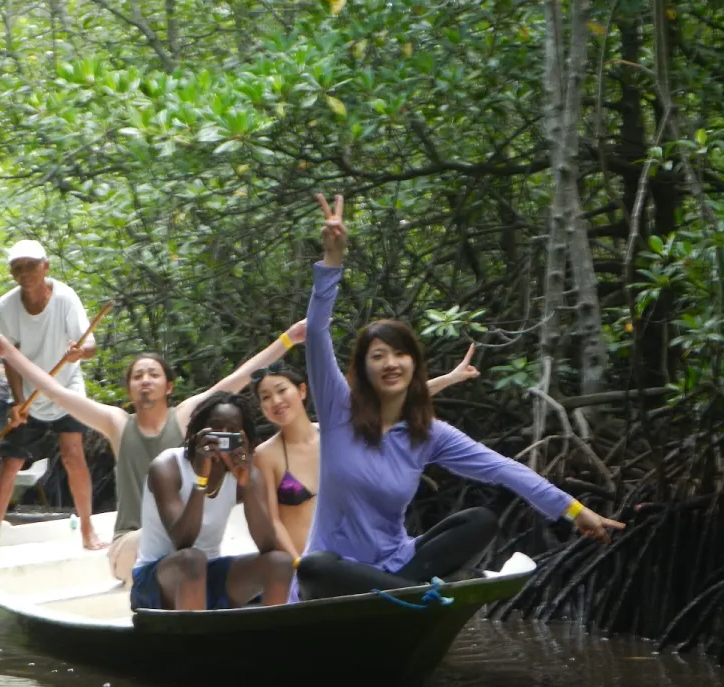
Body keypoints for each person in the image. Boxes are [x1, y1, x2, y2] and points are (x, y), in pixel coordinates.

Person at [295, 193, 625, 601]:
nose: (391, 363)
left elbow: (504, 469)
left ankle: (408, 591)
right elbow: (316, 333)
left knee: (480, 519)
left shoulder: (429, 433)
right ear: (363, 369)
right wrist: (332, 261)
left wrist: (574, 510)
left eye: (400, 354)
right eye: (378, 356)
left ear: (415, 364)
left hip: (398, 565)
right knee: (314, 566)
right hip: (336, 578)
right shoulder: (337, 409)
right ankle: (420, 594)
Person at [0, 316, 310, 573]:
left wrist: (288, 339)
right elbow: (55, 390)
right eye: (137, 376)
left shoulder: (185, 417)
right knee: (176, 553)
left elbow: (236, 378)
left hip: (184, 542)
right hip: (131, 545)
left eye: (153, 374)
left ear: (169, 387)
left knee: (206, 555)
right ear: (130, 389)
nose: (145, 380)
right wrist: (9, 353)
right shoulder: (117, 423)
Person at [251, 344, 481, 559]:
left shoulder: (337, 431)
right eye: (266, 398)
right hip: (312, 565)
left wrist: (451, 378)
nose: (276, 401)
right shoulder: (265, 455)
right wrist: (297, 565)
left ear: (302, 390)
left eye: (281, 390)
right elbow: (273, 522)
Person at [0, 239, 100, 560]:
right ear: (12, 272)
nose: (25, 273)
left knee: (73, 453)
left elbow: (89, 347)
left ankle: (88, 528)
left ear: (45, 266)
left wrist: (79, 351)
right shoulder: (6, 306)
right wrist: (18, 402)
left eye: (31, 265)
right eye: (18, 268)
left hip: (65, 387)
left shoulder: (64, 297)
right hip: (31, 390)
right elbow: (9, 356)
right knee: (10, 461)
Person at [131, 392, 293, 611]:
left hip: (208, 572)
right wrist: (201, 479)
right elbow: (182, 540)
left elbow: (266, 545)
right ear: (198, 432)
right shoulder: (167, 467)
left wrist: (247, 485)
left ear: (244, 437)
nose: (222, 436)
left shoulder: (246, 474)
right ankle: (197, 644)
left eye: (232, 431)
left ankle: (271, 642)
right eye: (216, 428)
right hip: (156, 581)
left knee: (280, 563)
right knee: (192, 560)